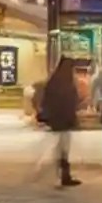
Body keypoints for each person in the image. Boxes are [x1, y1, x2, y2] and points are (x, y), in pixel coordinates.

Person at [39, 57, 82, 187]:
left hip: (55, 119)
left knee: (59, 147)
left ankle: (61, 173)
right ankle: (64, 175)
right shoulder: (67, 83)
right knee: (63, 147)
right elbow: (72, 102)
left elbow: (46, 99)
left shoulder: (53, 81)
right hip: (65, 119)